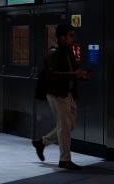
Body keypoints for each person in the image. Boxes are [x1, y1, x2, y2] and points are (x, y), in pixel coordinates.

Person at [32, 23, 91, 170]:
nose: (73, 37)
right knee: (64, 127)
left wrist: (81, 75)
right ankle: (65, 160)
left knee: (69, 125)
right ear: (61, 37)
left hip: (68, 92)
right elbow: (50, 74)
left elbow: (73, 70)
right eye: (70, 35)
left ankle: (42, 142)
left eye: (73, 35)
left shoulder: (68, 51)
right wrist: (73, 74)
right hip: (56, 93)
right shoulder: (53, 52)